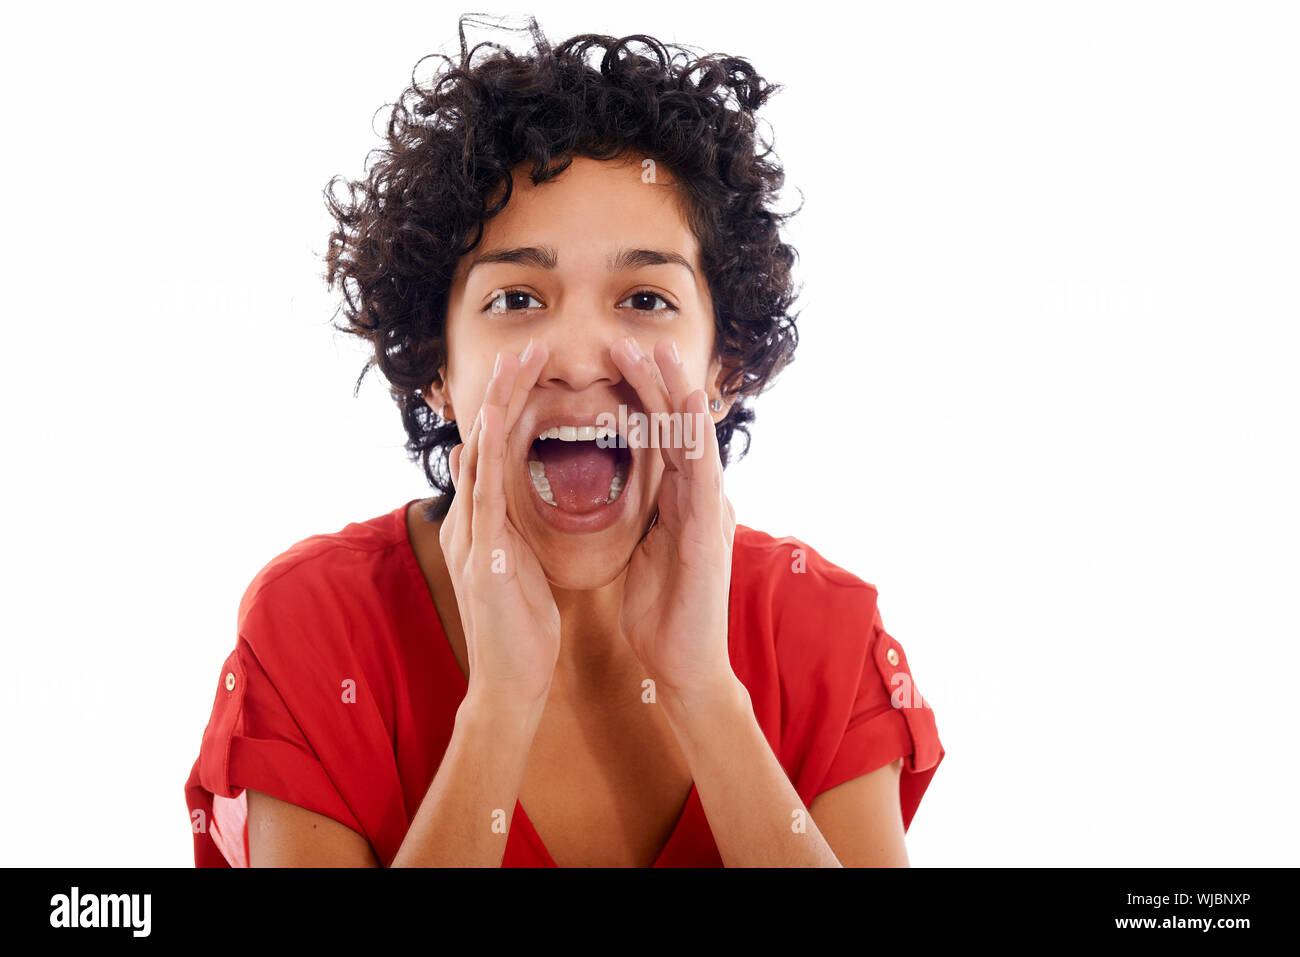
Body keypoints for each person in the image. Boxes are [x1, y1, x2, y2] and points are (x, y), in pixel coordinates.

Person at [184, 17, 944, 867]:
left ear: (724, 366)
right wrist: (498, 709)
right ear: (437, 367)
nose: (581, 360)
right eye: (517, 299)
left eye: (646, 298)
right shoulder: (316, 628)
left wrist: (704, 689)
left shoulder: (820, 634)